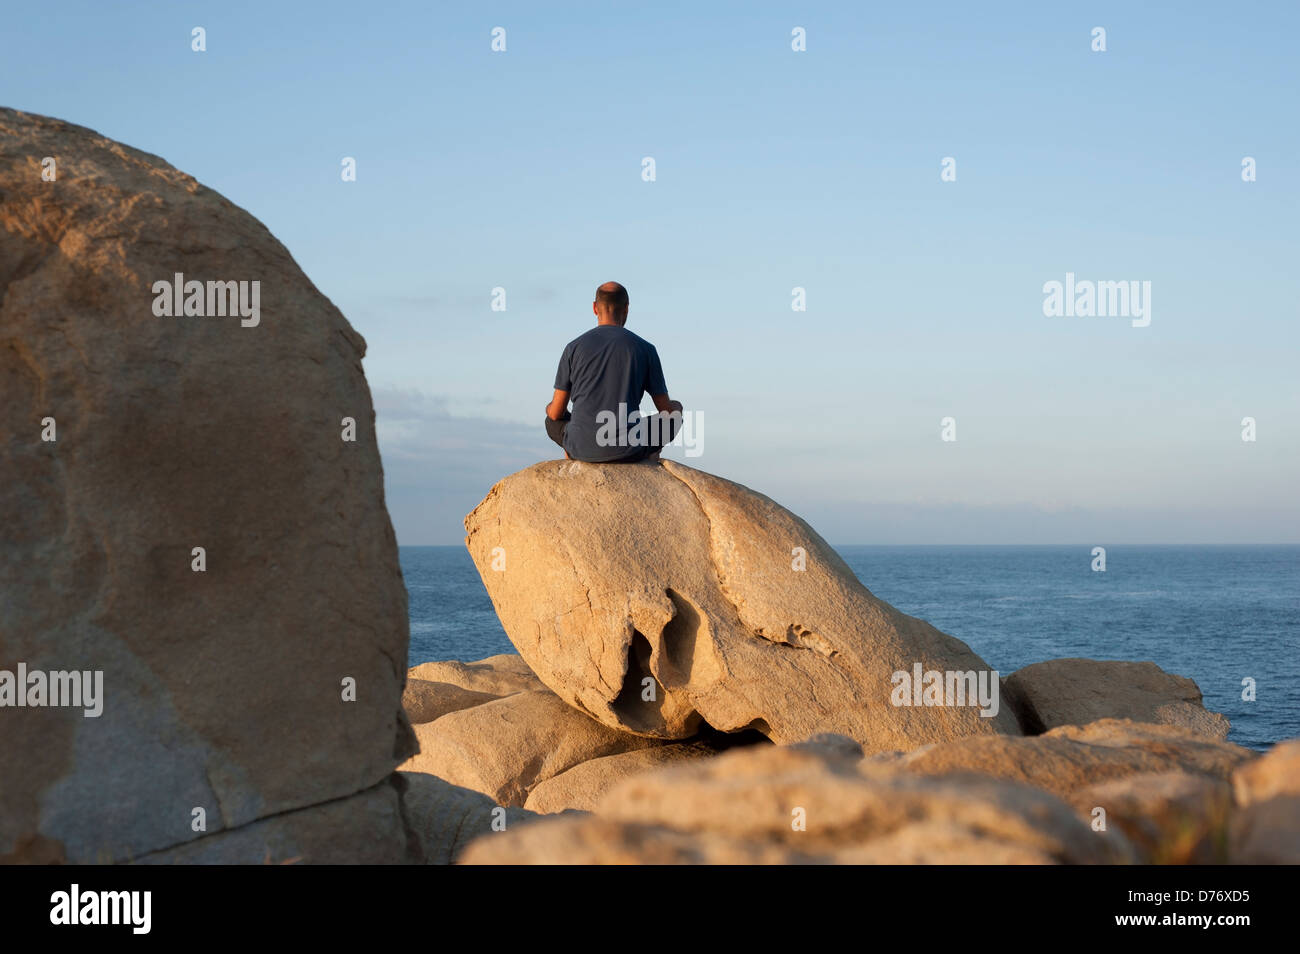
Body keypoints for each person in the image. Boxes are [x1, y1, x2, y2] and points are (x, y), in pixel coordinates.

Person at [545, 281, 683, 462]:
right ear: (626, 309)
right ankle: (648, 454)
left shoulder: (573, 348)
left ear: (595, 308)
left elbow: (555, 414)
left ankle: (573, 451)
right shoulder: (646, 349)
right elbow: (665, 409)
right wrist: (676, 407)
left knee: (552, 420)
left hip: (582, 446)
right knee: (675, 416)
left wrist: (549, 408)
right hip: (628, 448)